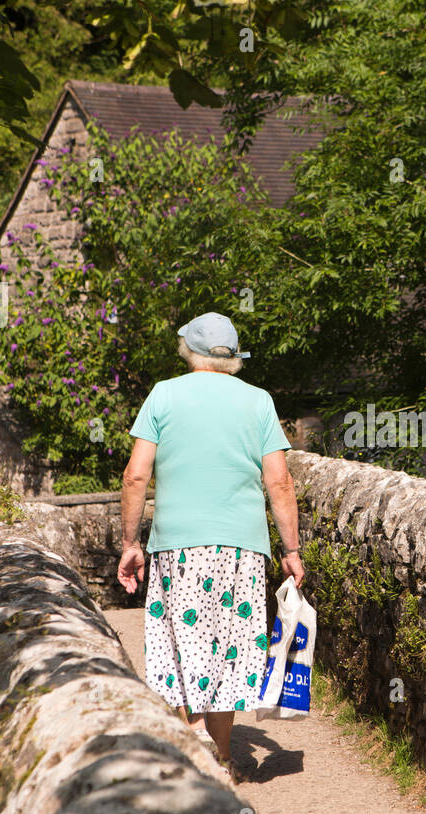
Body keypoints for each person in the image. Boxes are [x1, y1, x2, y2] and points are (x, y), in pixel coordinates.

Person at [116, 311, 306, 785]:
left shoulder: (163, 394)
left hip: (178, 547)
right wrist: (292, 550)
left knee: (186, 647)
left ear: (188, 351)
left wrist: (129, 542)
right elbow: (279, 481)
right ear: (232, 357)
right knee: (231, 651)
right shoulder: (258, 401)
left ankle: (194, 745)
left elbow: (136, 474)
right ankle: (220, 757)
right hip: (242, 548)